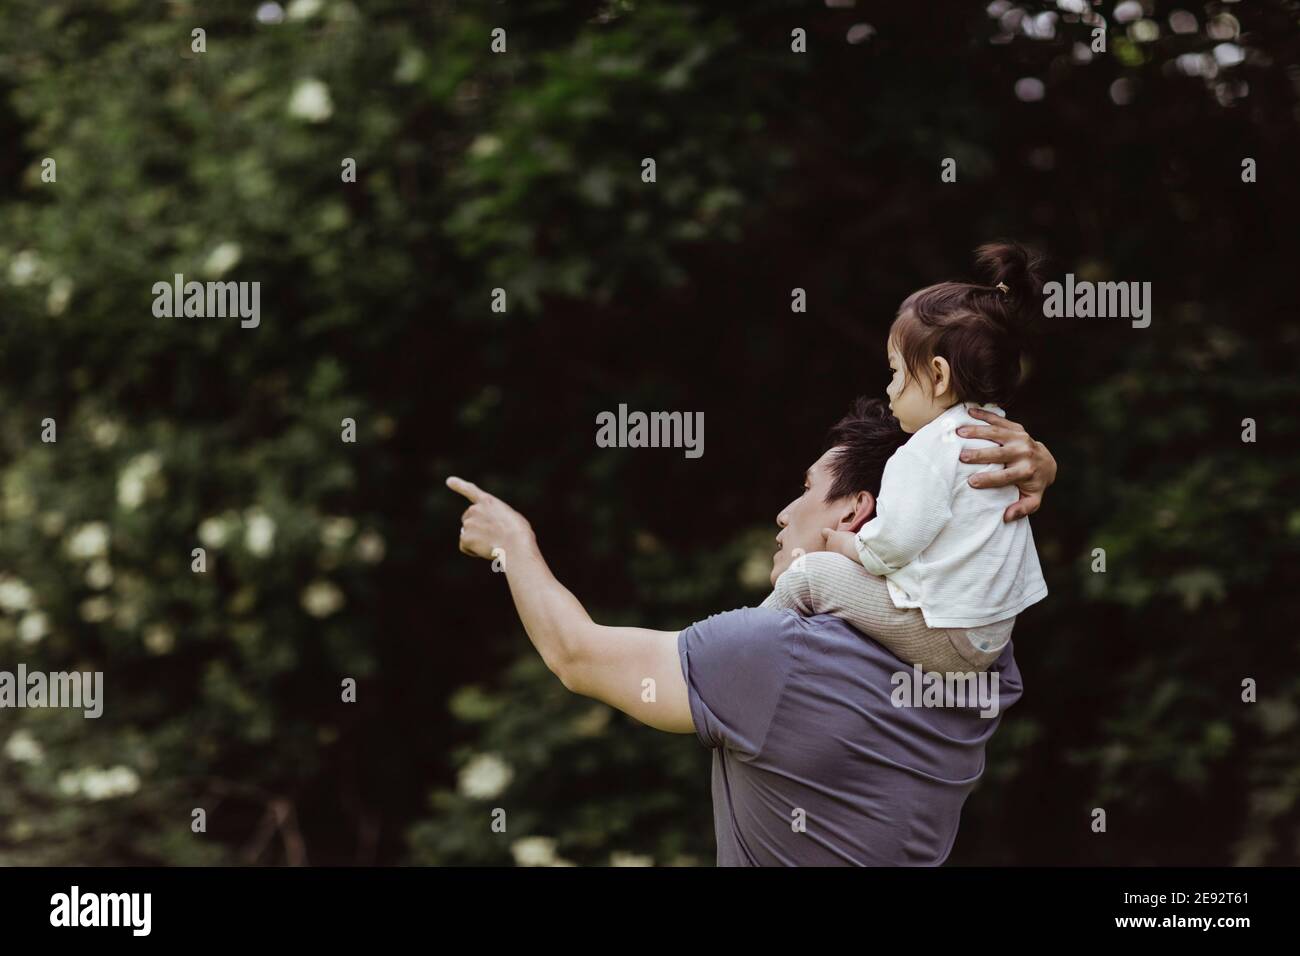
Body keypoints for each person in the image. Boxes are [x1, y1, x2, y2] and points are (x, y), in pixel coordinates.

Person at [447, 402, 1056, 865]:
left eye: (808, 489)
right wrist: (1028, 469)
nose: (785, 512)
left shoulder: (774, 655)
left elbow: (574, 655)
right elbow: (975, 563)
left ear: (853, 512)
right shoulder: (982, 669)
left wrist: (512, 544)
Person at [765, 242, 1049, 673]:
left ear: (937, 376)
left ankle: (735, 642)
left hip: (945, 632)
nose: (890, 388)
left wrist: (845, 545)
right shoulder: (999, 438)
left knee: (809, 574)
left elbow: (893, 544)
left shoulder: (927, 450)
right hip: (988, 636)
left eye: (896, 372)